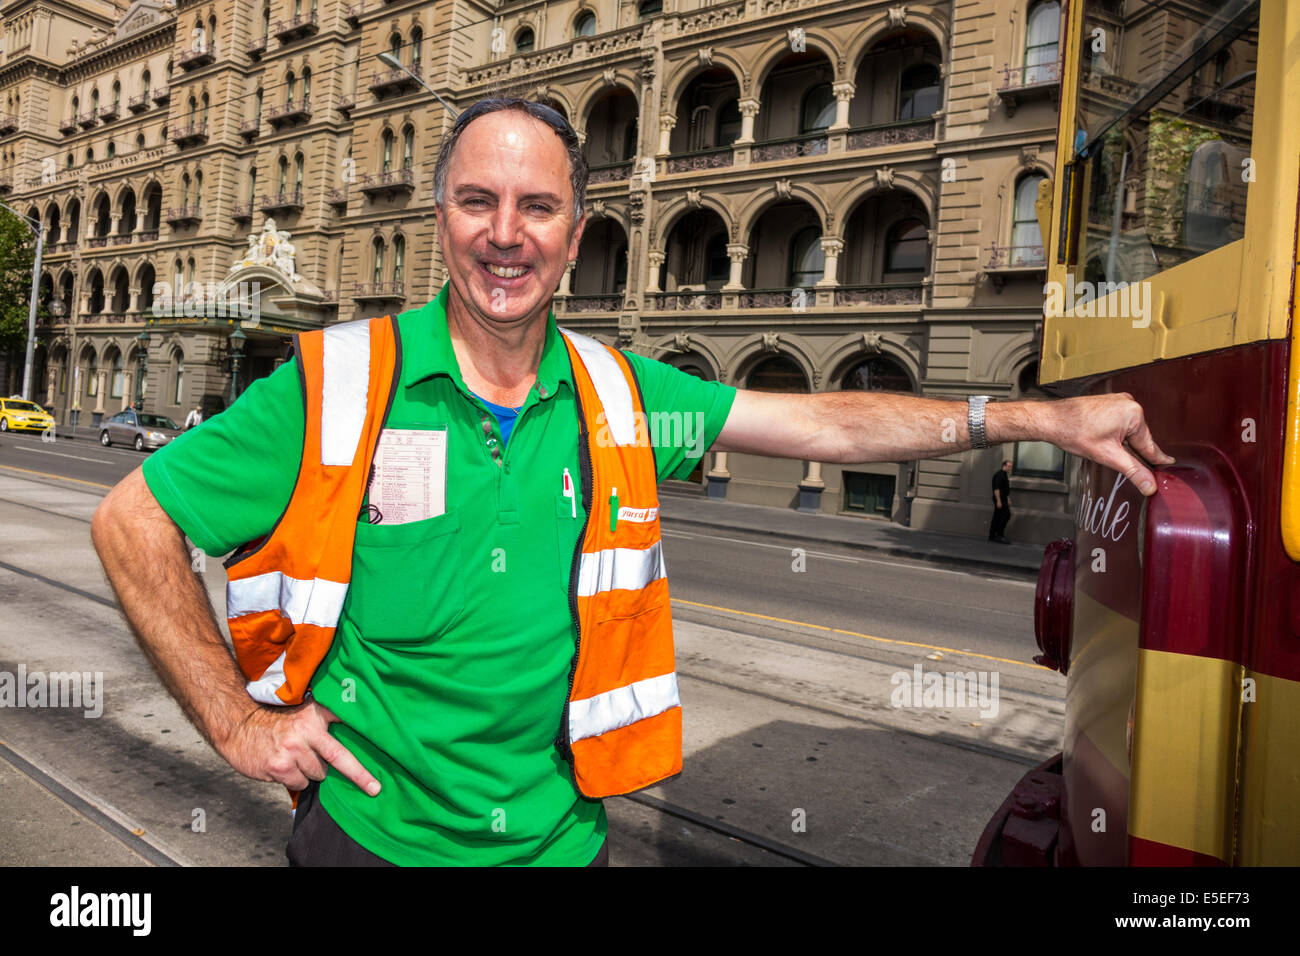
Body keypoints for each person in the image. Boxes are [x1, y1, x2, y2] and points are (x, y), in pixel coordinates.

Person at [89, 97, 1173, 868]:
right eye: (477, 201)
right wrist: (237, 723)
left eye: (537, 207)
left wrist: (1029, 414)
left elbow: (824, 423)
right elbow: (131, 519)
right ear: (440, 221)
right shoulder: (335, 381)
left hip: (565, 842)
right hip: (369, 841)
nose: (504, 235)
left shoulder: (617, 393)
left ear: (575, 232)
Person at [990, 459, 1012, 543]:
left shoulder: (1004, 475)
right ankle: (999, 535)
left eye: (1011, 467)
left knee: (997, 516)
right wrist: (998, 501)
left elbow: (1005, 489)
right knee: (1006, 515)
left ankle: (992, 536)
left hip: (1003, 499)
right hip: (1000, 499)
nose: (1010, 468)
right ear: (1004, 466)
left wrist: (1008, 499)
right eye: (1009, 466)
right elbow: (996, 489)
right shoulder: (999, 475)